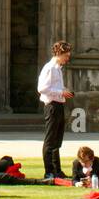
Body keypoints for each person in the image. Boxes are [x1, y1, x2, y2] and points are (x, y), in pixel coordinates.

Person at [37, 40, 72, 181]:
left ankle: (57, 170)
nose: (67, 58)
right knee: (50, 140)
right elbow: (42, 89)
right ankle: (49, 171)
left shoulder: (57, 68)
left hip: (58, 104)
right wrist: (60, 92)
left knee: (57, 139)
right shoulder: (50, 68)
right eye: (66, 56)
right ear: (59, 53)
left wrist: (63, 91)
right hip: (51, 105)